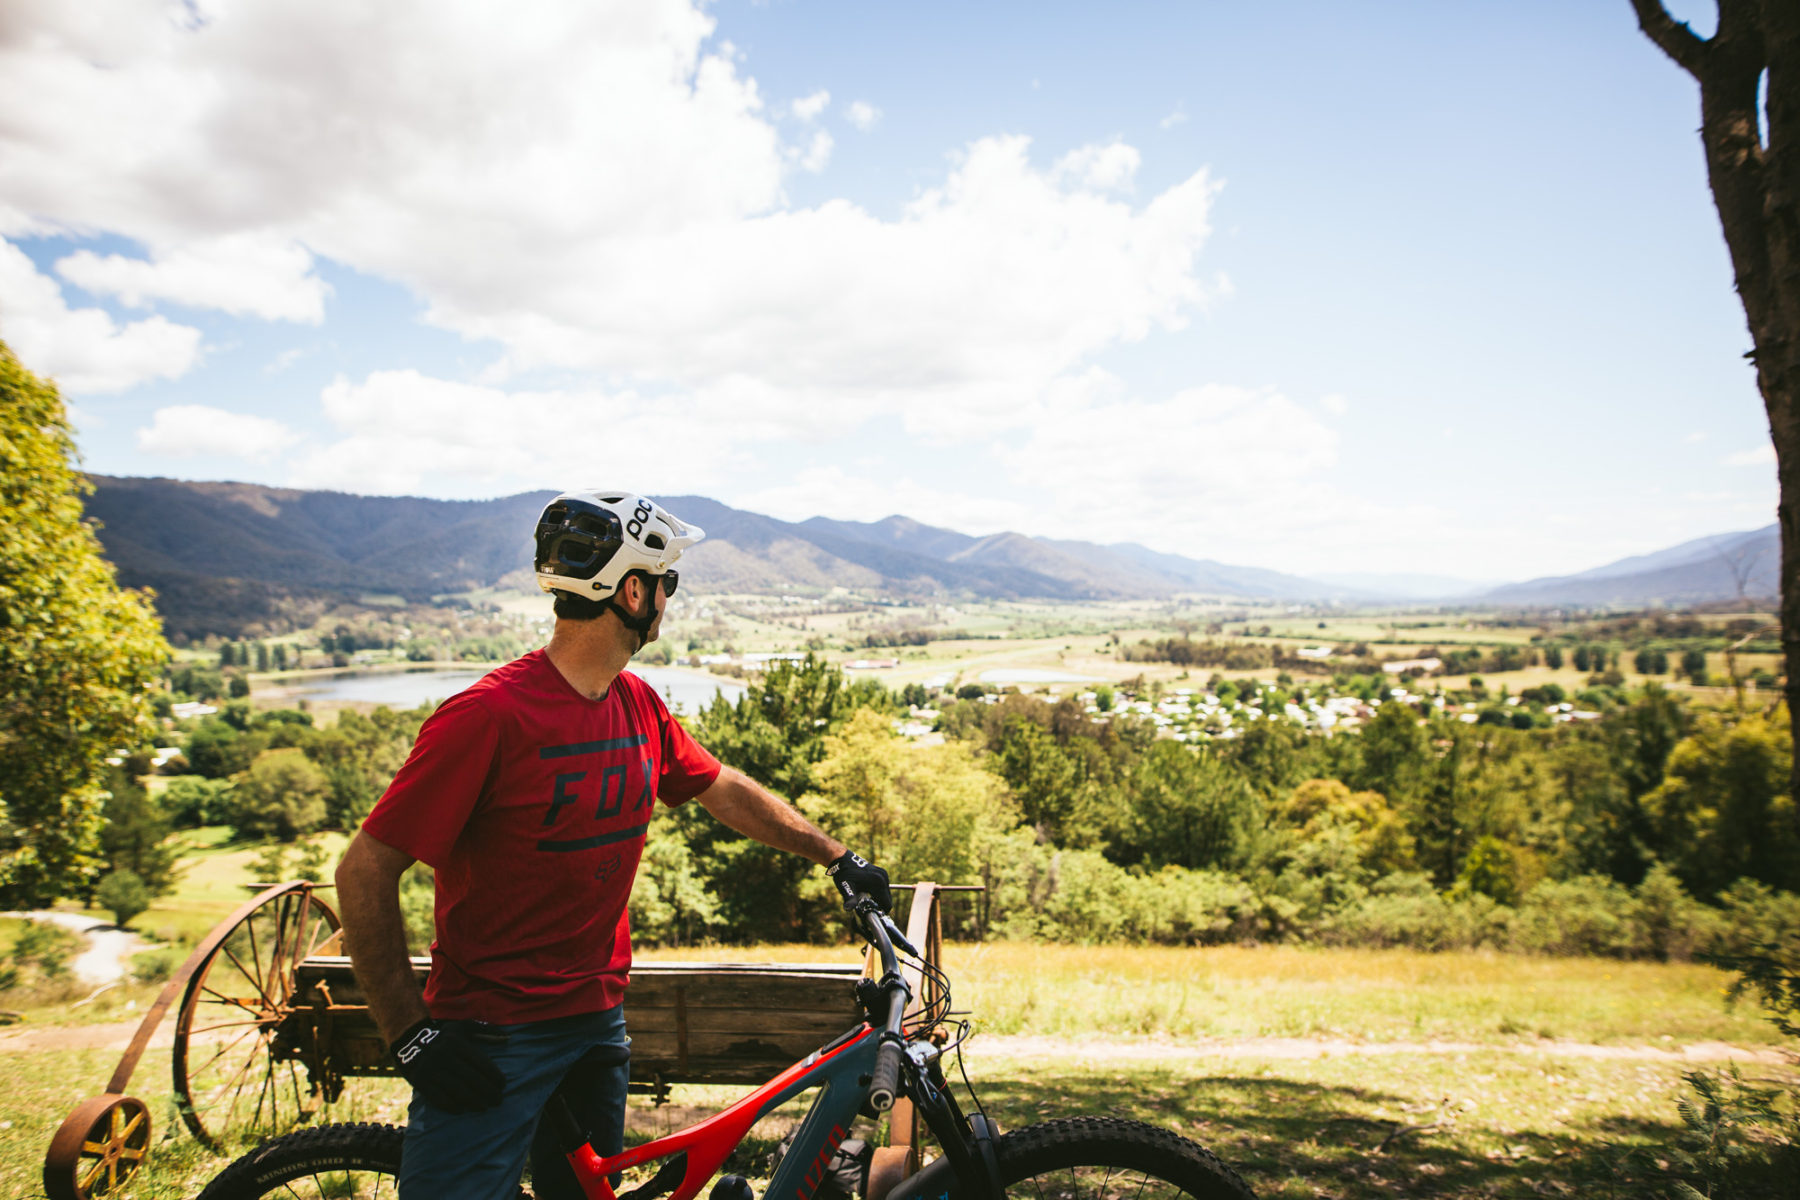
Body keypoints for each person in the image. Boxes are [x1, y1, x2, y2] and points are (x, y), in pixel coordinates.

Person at [335, 489, 891, 1200]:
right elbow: (364, 872)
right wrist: (410, 1033)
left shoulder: (637, 704)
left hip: (596, 1023)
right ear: (633, 592)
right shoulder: (487, 717)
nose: (668, 599)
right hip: (493, 1033)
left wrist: (835, 856)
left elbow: (721, 788)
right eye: (667, 582)